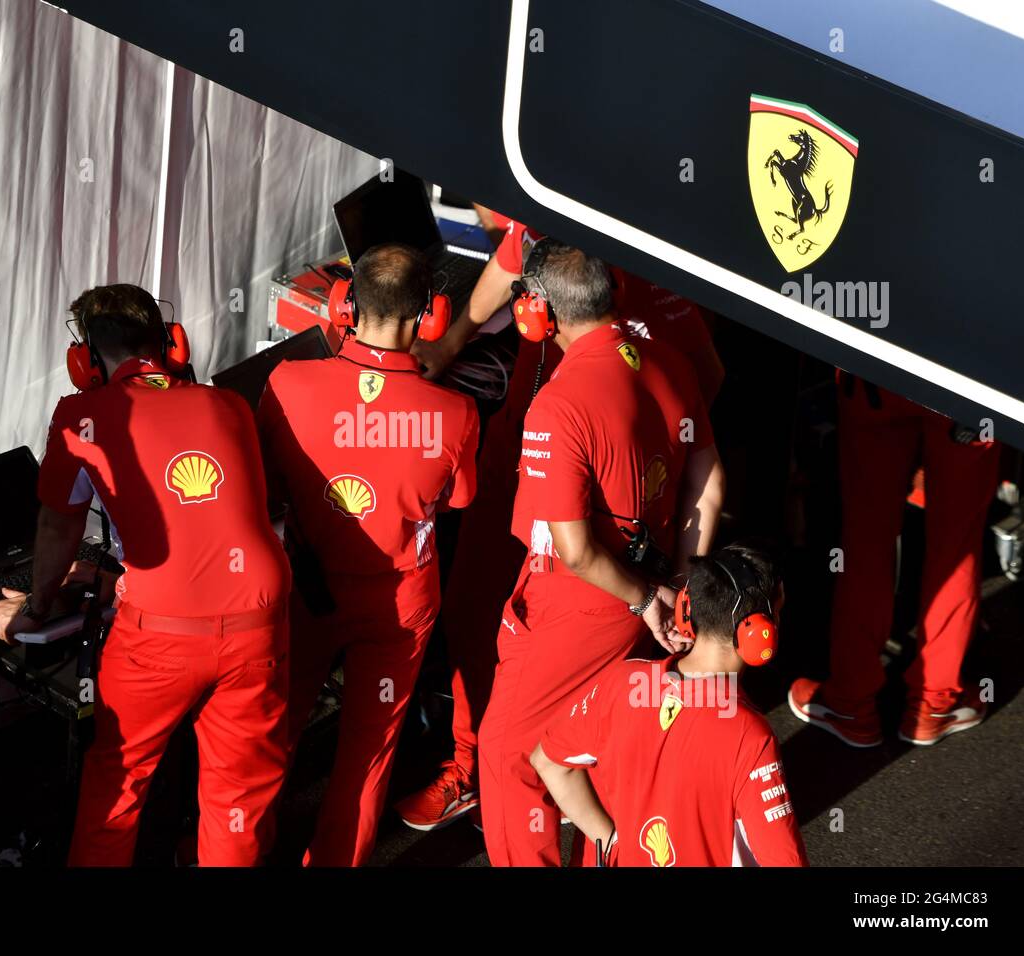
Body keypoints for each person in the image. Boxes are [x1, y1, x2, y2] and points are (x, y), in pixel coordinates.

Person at [397, 216, 722, 831]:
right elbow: (705, 455)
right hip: (550, 508)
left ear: (539, 312)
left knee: (519, 744)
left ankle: (557, 780)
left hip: (585, 559)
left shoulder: (648, 282)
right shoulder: (553, 224)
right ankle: (508, 773)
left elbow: (577, 549)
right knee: (474, 619)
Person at [0, 284, 291, 866]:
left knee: (117, 792)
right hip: (259, 620)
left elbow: (56, 528)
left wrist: (38, 606)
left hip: (161, 634)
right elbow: (211, 525)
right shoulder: (228, 405)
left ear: (86, 361)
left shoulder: (81, 416)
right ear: (172, 344)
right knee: (237, 800)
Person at [476, 240, 725, 866]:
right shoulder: (669, 363)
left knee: (510, 758)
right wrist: (676, 577)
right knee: (605, 749)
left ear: (537, 314)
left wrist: (646, 598)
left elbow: (577, 550)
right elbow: (709, 483)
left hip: (582, 609)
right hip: (649, 591)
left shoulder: (558, 406)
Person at [256, 243, 480, 865]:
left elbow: (266, 484)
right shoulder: (457, 413)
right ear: (430, 317)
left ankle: (235, 849)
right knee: (367, 753)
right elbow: (460, 500)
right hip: (398, 606)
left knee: (273, 733)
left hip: (307, 591)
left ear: (342, 307)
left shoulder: (286, 382)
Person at [532, 544, 808, 867]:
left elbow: (548, 762)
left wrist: (610, 840)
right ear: (760, 633)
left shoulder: (622, 682)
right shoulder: (750, 739)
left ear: (687, 610)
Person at [788, 375, 1001, 746]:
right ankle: (934, 702)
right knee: (956, 543)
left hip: (880, 366)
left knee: (865, 536)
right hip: (971, 379)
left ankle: (851, 700)